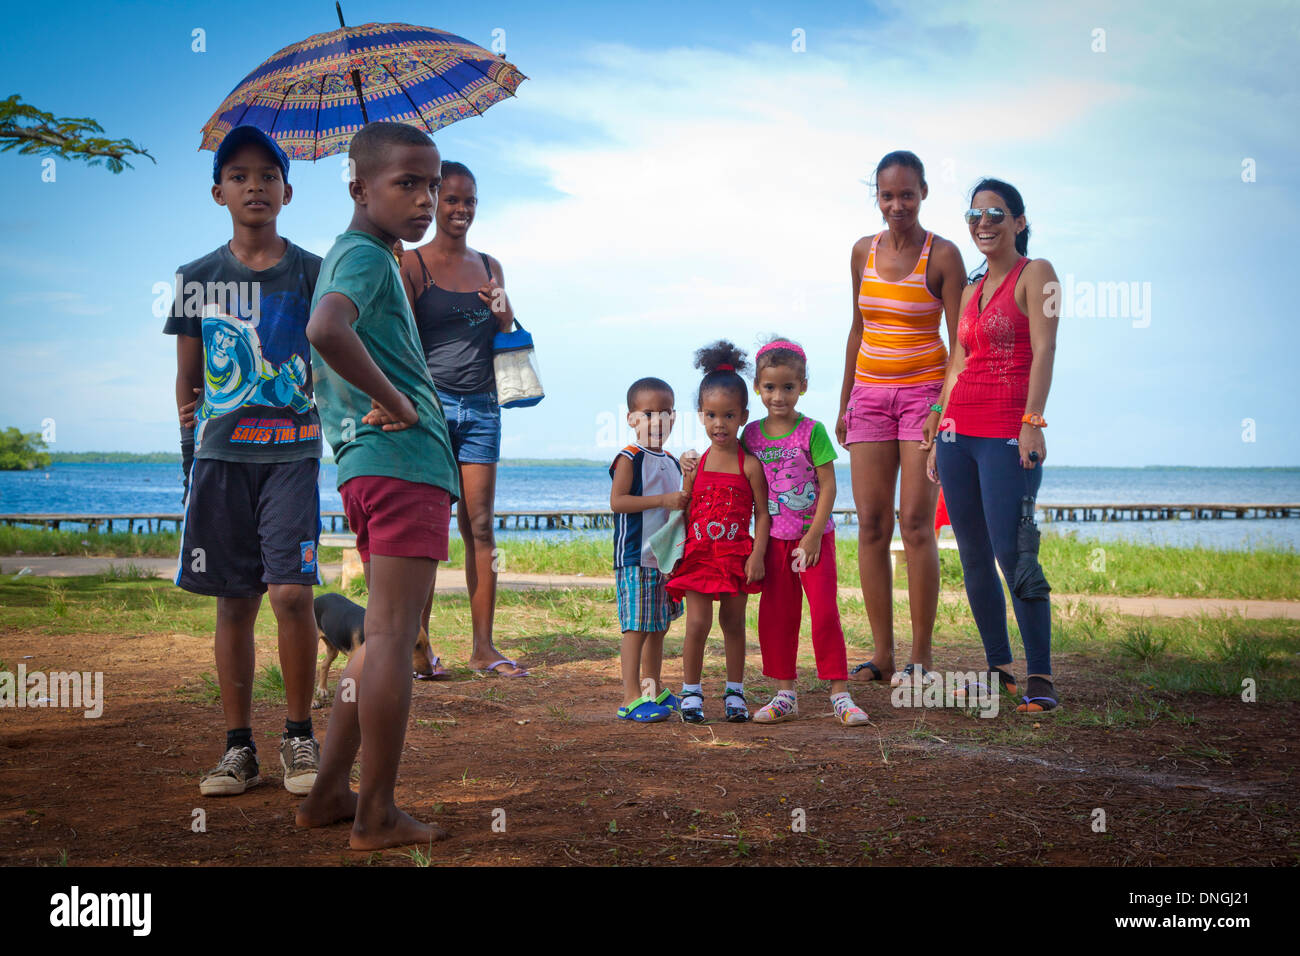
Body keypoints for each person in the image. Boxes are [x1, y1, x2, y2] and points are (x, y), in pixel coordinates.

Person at [295, 121, 461, 849]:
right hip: (403, 464)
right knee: (396, 636)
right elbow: (325, 330)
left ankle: (332, 791)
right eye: (407, 184)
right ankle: (378, 814)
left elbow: (329, 353)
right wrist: (398, 403)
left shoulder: (365, 257)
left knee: (375, 640)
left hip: (372, 470)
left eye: (431, 184)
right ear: (359, 187)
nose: (425, 199)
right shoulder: (362, 256)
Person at [164, 125, 323, 798]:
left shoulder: (317, 272)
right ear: (218, 191)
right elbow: (189, 380)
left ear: (288, 189)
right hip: (221, 457)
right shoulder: (197, 279)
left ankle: (298, 735)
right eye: (240, 175)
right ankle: (238, 748)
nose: (255, 185)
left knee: (290, 592)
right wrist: (188, 456)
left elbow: (341, 350)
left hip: (293, 450)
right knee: (235, 602)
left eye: (268, 174)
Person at [925, 177, 1061, 714]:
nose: (984, 223)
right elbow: (958, 362)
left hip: (1008, 433)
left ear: (1019, 222)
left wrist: (1033, 420)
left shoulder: (1038, 274)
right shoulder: (969, 289)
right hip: (959, 435)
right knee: (975, 558)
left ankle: (1042, 679)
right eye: (974, 214)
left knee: (1017, 556)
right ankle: (999, 670)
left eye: (996, 213)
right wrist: (938, 422)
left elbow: (1046, 349)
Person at [837, 150, 967, 689]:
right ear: (878, 196)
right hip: (868, 395)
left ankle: (921, 656)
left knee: (915, 525)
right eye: (887, 195)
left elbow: (962, 343)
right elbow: (857, 327)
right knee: (871, 525)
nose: (897, 205)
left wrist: (942, 408)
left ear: (923, 193)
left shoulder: (944, 255)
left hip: (923, 398)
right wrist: (845, 401)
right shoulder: (861, 252)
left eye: (907, 194)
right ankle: (883, 655)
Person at [400, 162, 526, 678]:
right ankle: (419, 649)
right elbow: (400, 341)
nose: (460, 210)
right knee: (428, 531)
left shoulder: (492, 265)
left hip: (483, 407)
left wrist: (504, 315)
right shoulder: (411, 264)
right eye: (450, 199)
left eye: (469, 200)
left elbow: (506, 328)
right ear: (432, 200)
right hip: (430, 408)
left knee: (479, 527)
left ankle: (482, 648)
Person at [743, 338, 869, 725]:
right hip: (773, 541)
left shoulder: (811, 431)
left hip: (814, 539)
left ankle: (839, 692)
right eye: (769, 387)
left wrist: (814, 535)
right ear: (757, 388)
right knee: (777, 616)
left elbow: (828, 485)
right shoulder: (750, 435)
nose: (778, 396)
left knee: (825, 613)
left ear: (803, 387)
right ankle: (785, 694)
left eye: (788, 387)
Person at [667, 342, 770, 723]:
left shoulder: (750, 466)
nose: (719, 424)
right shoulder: (696, 463)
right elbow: (685, 510)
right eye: (711, 415)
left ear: (743, 415)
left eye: (728, 415)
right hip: (698, 555)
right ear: (700, 415)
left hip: (736, 557)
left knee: (733, 625)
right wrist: (675, 554)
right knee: (696, 623)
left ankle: (734, 692)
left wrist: (757, 555)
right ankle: (690, 691)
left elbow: (762, 514)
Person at [609, 377, 688, 722]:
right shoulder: (630, 457)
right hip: (635, 558)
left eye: (665, 413)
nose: (658, 421)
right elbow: (618, 501)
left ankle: (651, 688)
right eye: (648, 413)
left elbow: (677, 508)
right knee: (636, 627)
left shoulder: (670, 460)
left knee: (659, 626)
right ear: (631, 419)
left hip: (664, 560)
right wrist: (663, 499)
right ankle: (629, 697)